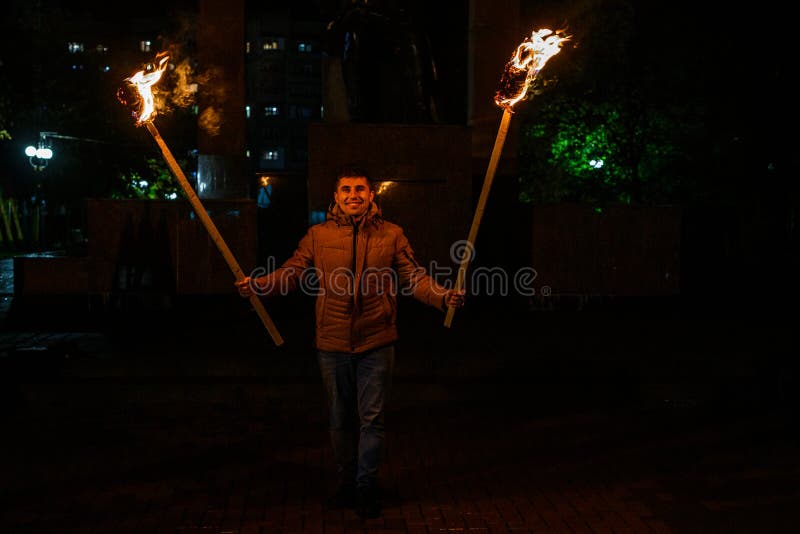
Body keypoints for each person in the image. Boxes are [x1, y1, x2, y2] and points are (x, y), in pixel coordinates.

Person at [236, 166, 464, 518]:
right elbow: (293, 271)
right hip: (332, 342)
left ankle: (366, 488)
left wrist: (443, 296)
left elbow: (414, 277)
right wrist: (260, 285)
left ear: (372, 195)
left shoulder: (392, 235)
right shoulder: (317, 235)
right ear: (336, 196)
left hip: (377, 339)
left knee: (371, 419)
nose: (354, 195)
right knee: (340, 419)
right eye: (346, 189)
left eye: (360, 189)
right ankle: (346, 483)